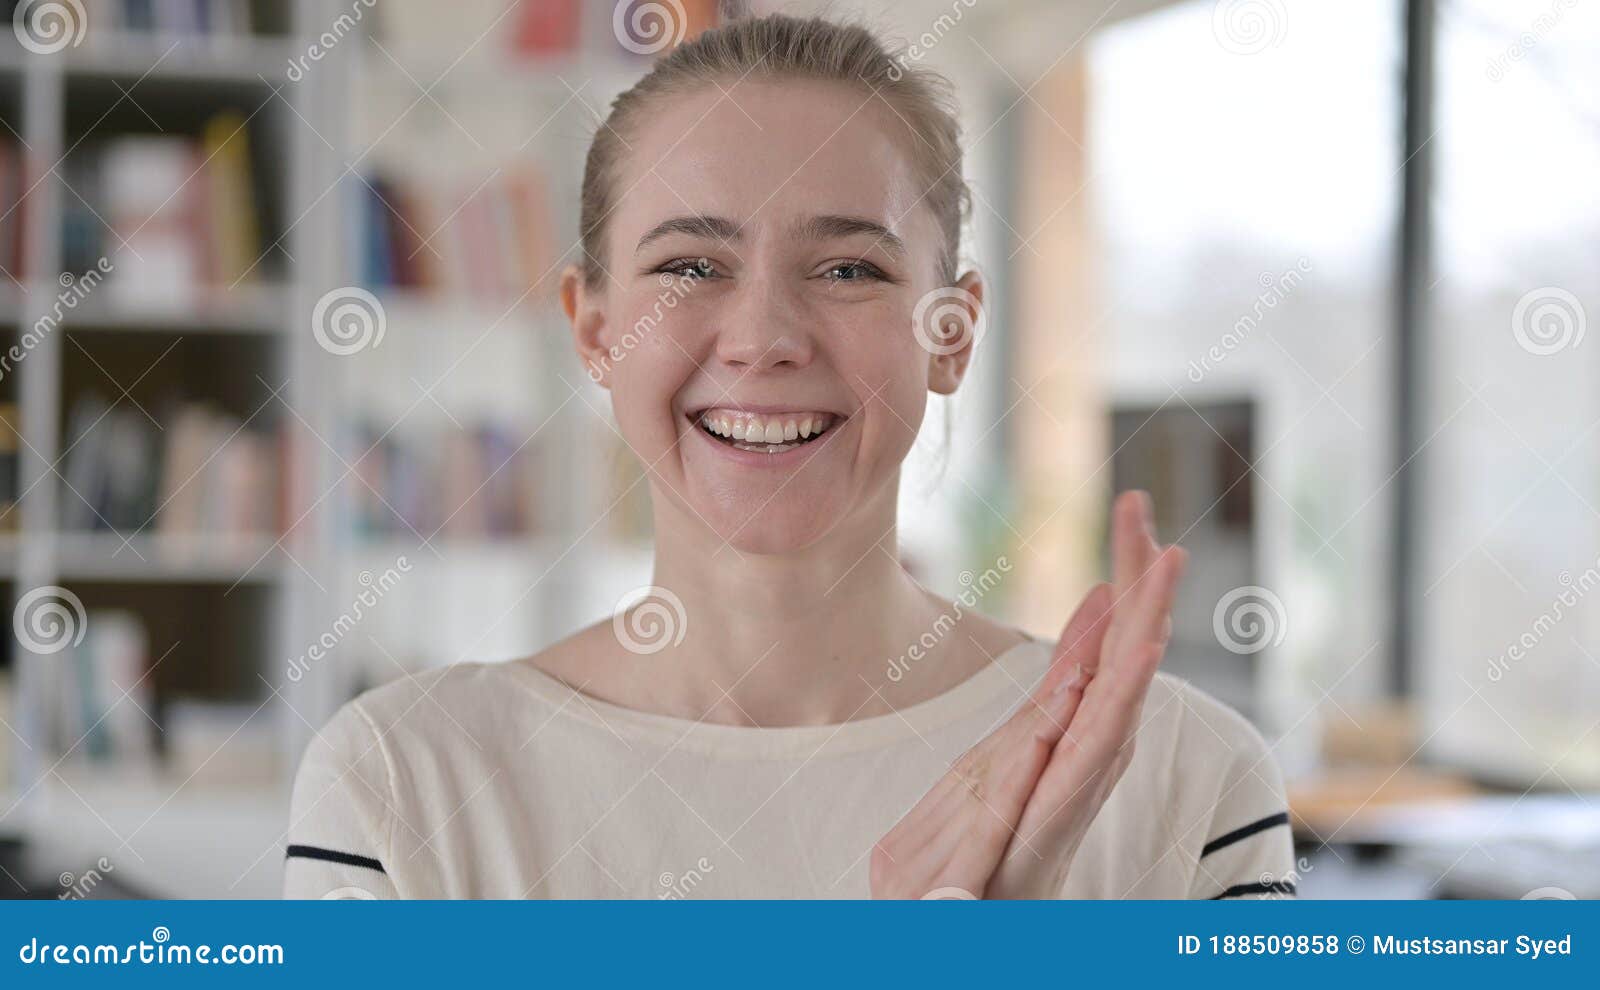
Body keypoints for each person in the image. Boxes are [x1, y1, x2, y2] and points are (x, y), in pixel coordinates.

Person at [284, 13, 1294, 900]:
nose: (763, 336)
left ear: (951, 332)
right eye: (690, 265)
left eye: (849, 267)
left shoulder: (1182, 775)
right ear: (592, 331)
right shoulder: (401, 782)